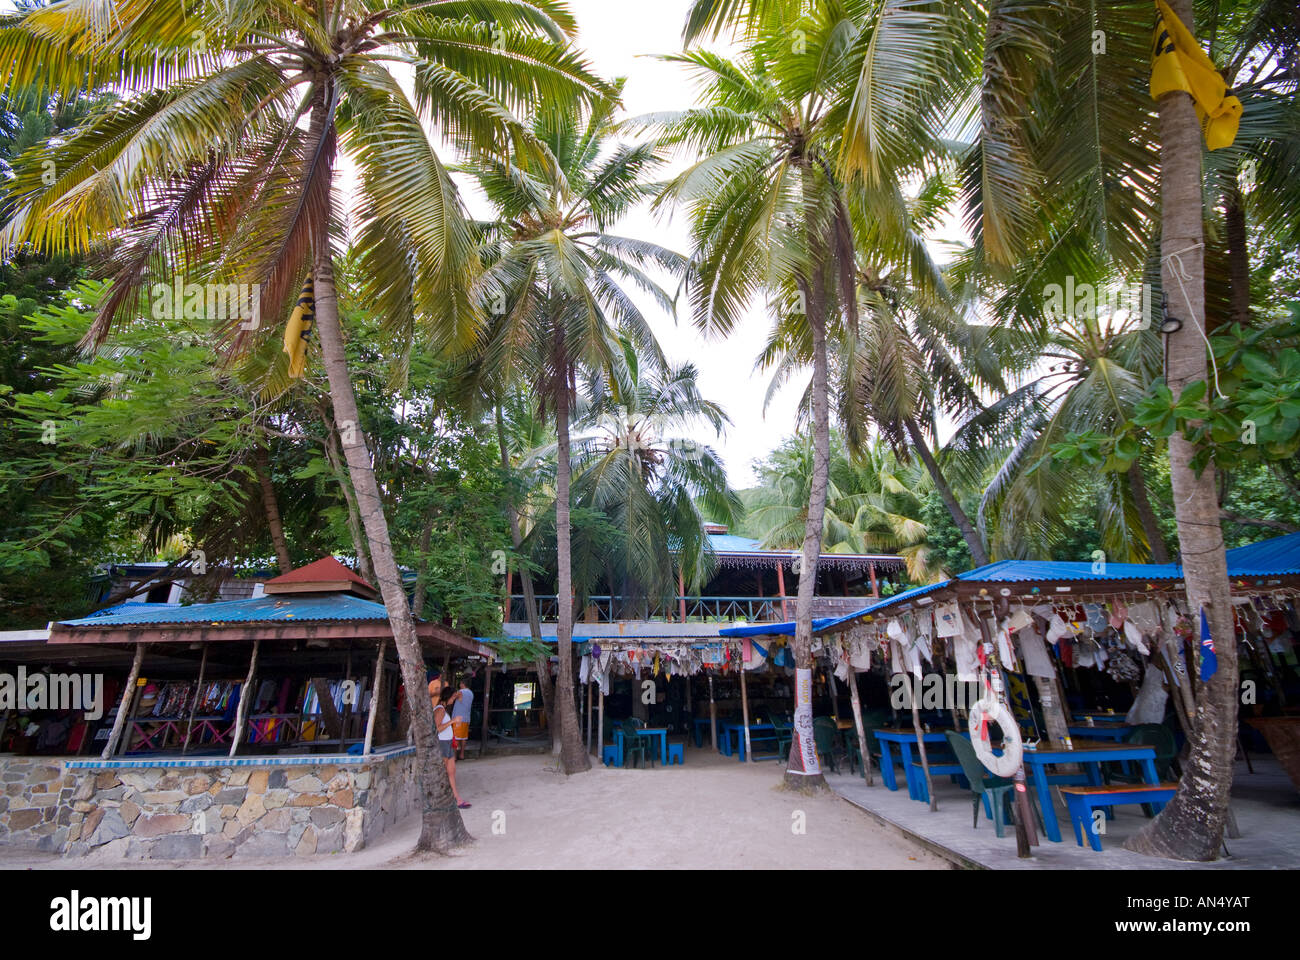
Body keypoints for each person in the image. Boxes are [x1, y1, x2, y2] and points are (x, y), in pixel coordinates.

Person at [433, 687, 470, 809]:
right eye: (453, 697)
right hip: (442, 744)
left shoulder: (443, 709)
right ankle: (439, 800)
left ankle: (457, 798)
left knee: (451, 772)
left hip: (448, 743)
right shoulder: (440, 710)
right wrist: (452, 721)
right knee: (442, 773)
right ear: (448, 696)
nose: (454, 700)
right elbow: (437, 728)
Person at [450, 675, 474, 760]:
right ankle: (462, 754)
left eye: (460, 683)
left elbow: (452, 698)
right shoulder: (471, 693)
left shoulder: (461, 692)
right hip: (466, 718)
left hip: (458, 719)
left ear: (462, 684)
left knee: (456, 738)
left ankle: (455, 756)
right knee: (464, 737)